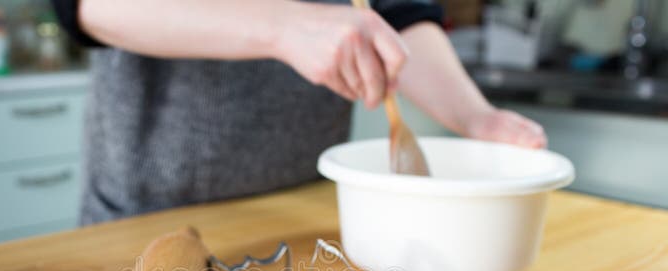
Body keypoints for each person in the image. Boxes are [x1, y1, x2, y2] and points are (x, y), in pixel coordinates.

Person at [52, 0, 547, 225]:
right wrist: (284, 25)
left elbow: (399, 14)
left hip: (304, 207)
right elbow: (89, 6)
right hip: (152, 211)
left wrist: (475, 116)